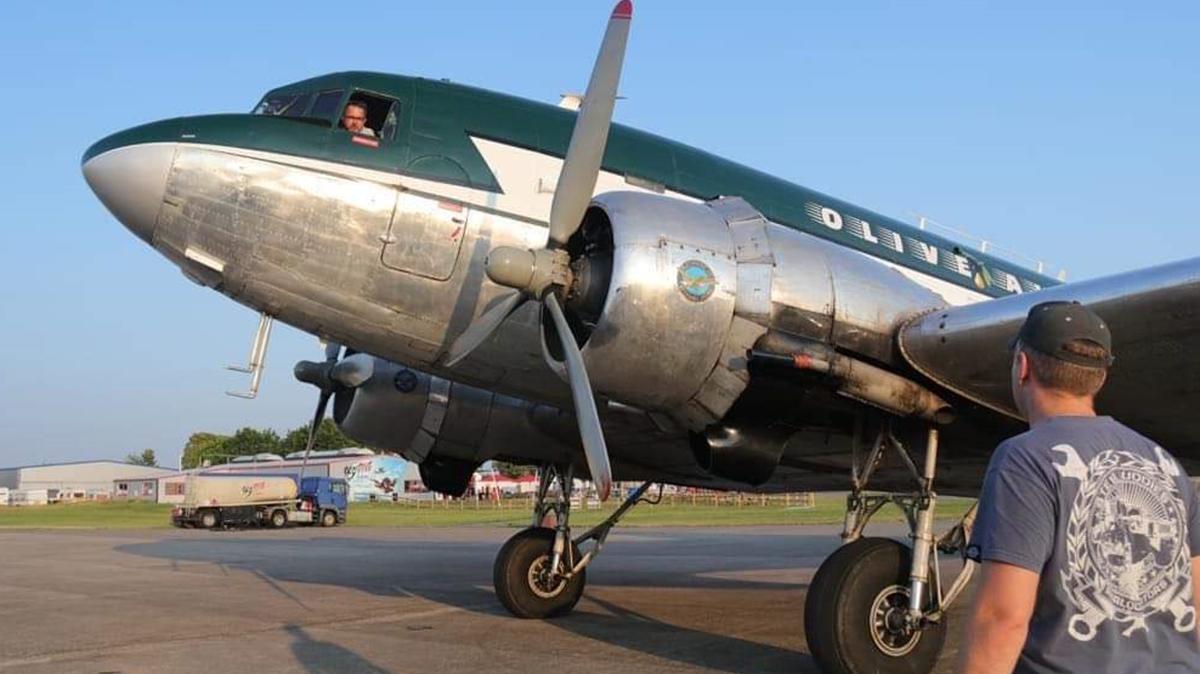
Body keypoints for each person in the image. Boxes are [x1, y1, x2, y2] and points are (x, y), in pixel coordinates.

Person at [959, 301, 1200, 673]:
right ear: (1099, 378)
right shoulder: (1166, 464)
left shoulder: (1025, 458)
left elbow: (1002, 619)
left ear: (1022, 367)